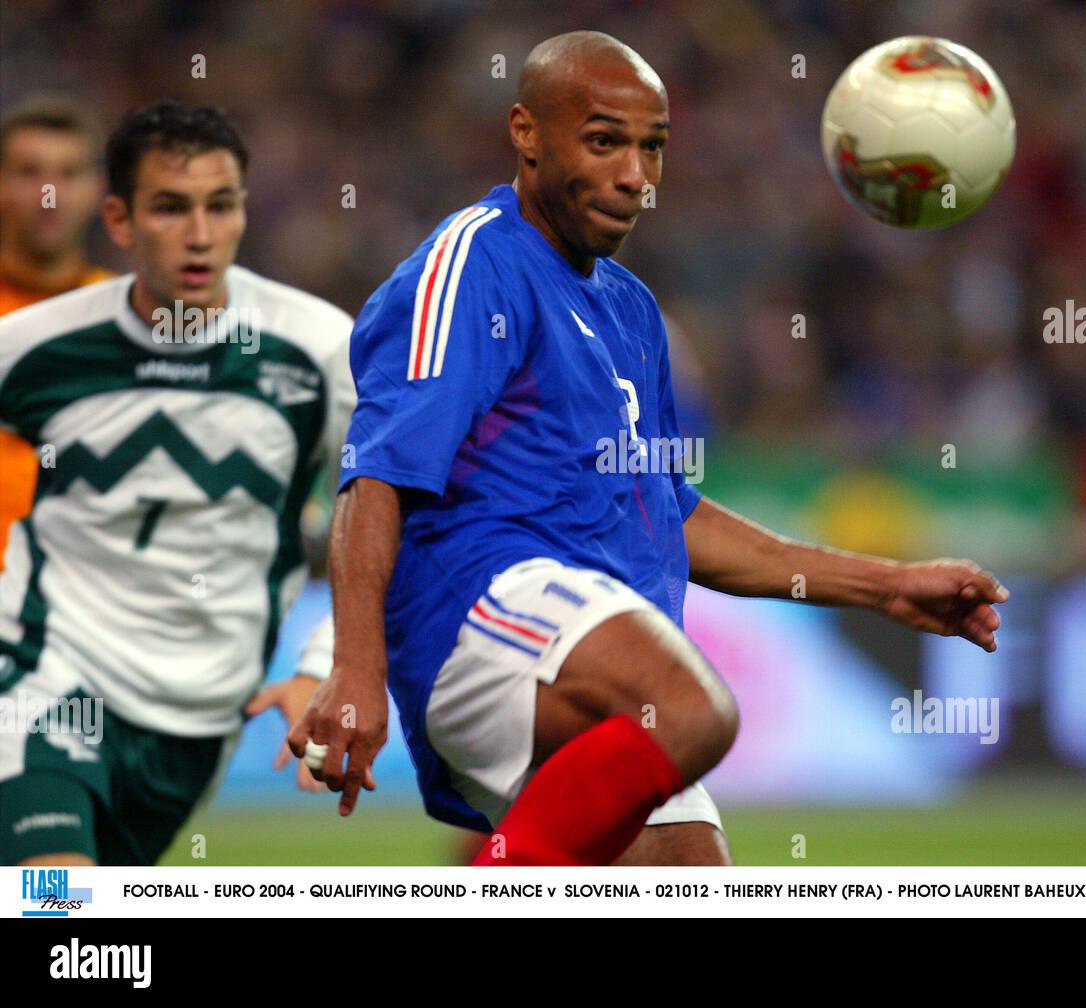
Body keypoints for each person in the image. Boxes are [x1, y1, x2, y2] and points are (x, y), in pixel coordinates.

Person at [291, 32, 1007, 866]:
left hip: (580, 656)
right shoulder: (472, 264)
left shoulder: (630, 313)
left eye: (652, 148)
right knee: (690, 706)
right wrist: (354, 670)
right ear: (526, 133)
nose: (636, 175)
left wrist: (886, 587)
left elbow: (674, 519)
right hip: (480, 617)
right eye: (605, 142)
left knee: (690, 875)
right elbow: (377, 471)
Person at [0, 102, 353, 865]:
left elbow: (391, 518)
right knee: (52, 903)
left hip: (202, 714)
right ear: (120, 221)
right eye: (171, 207)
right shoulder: (38, 347)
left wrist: (324, 666)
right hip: (52, 674)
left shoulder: (319, 352)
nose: (200, 234)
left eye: (220, 206)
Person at [0, 96, 115, 572]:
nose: (50, 193)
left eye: (68, 174)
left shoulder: (130, 318)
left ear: (99, 191)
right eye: (30, 172)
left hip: (88, 603)